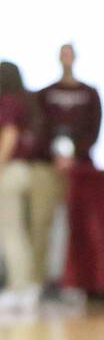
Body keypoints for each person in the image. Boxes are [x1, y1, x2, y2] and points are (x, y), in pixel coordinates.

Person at [32, 43, 102, 296]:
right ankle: (36, 283)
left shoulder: (90, 93)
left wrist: (75, 156)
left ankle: (77, 281)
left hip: (81, 171)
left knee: (80, 225)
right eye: (63, 54)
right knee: (42, 223)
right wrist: (55, 156)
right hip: (49, 168)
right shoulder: (45, 94)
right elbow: (39, 128)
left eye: (70, 53)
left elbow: (94, 129)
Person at [0, 61, 40, 313]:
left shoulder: (7, 102)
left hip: (9, 171)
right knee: (16, 230)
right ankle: (23, 287)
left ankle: (20, 288)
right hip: (22, 170)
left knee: (10, 231)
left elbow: (9, 135)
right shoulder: (25, 102)